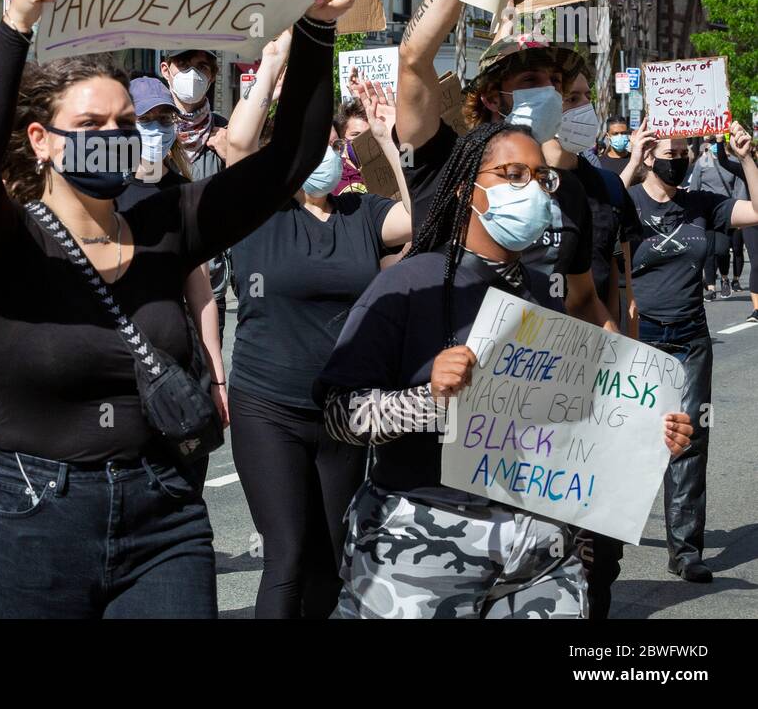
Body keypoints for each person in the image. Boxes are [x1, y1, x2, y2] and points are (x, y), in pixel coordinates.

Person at [0, 0, 353, 618]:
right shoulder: (2, 242)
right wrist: (18, 19)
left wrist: (315, 29)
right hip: (35, 516)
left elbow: (292, 155)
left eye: (125, 123)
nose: (112, 133)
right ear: (42, 139)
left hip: (164, 513)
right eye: (90, 124)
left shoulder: (168, 219)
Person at [314, 123, 694, 618]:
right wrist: (428, 399)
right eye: (512, 175)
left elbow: (578, 416)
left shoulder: (546, 294)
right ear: (464, 189)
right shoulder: (409, 285)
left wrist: (647, 431)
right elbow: (341, 414)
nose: (531, 189)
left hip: (541, 550)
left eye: (541, 178)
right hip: (425, 539)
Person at [223, 30, 411, 618]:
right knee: (286, 553)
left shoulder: (361, 212)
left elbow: (424, 218)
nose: (327, 153)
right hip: (267, 408)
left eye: (335, 143)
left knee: (328, 560)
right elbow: (235, 146)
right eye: (313, 143)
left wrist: (387, 139)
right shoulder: (259, 209)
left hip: (343, 412)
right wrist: (272, 67)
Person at [394, 0, 616, 334]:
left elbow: (585, 299)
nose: (550, 93)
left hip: (536, 388)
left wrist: (631, 386)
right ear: (494, 98)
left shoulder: (567, 192)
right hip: (446, 381)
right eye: (532, 82)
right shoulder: (446, 165)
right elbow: (414, 58)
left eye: (554, 83)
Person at [620, 122, 758, 583]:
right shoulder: (628, 203)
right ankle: (604, 533)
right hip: (638, 339)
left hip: (690, 339)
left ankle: (686, 550)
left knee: (689, 439)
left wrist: (746, 158)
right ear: (650, 154)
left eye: (684, 150)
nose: (677, 158)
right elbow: (598, 221)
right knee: (625, 439)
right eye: (669, 151)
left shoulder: (701, 204)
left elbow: (757, 211)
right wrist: (631, 166)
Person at [545, 71, 641, 619]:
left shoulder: (605, 186)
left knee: (599, 549)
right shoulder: (511, 180)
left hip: (597, 374)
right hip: (524, 385)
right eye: (569, 100)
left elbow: (614, 283)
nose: (580, 110)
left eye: (584, 99)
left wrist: (636, 375)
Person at [118, 76, 229, 426]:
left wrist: (217, 379)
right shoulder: (106, 196)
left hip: (178, 367)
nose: (157, 128)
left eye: (165, 119)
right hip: (119, 365)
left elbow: (202, 297)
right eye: (146, 120)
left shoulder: (186, 196)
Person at [158, 47, 233, 342]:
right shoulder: (151, 132)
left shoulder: (229, 133)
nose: (193, 74)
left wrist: (234, 158)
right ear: (166, 70)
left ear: (213, 75)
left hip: (211, 288)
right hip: (162, 288)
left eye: (202, 66)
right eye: (184, 64)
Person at [689, 133, 749, 300]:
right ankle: (710, 287)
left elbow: (739, 188)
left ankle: (724, 278)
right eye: (712, 142)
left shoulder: (732, 162)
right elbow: (695, 187)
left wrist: (739, 213)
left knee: (722, 250)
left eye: (717, 141)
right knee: (707, 251)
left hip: (725, 211)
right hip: (704, 212)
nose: (714, 144)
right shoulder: (702, 162)